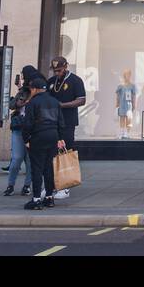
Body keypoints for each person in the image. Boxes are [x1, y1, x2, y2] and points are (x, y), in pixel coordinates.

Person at [20, 77, 66, 210]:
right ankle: (49, 198)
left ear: (34, 89)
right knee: (49, 168)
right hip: (53, 136)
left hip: (38, 137)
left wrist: (26, 139)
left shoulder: (32, 103)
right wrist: (60, 138)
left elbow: (28, 123)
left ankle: (36, 200)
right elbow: (61, 122)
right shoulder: (55, 101)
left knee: (37, 168)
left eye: (31, 89)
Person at [47, 57, 84, 200]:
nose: (57, 73)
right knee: (52, 152)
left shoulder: (75, 80)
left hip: (68, 122)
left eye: (60, 70)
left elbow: (82, 100)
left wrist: (63, 105)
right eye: (55, 71)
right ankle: (52, 185)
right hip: (52, 122)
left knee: (66, 151)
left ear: (66, 67)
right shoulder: (51, 82)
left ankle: (66, 186)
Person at [4, 66, 40, 197]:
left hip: (33, 128)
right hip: (19, 127)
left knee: (30, 160)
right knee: (17, 158)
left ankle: (27, 185)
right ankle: (10, 185)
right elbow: (12, 105)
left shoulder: (40, 93)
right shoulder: (23, 91)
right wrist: (21, 99)